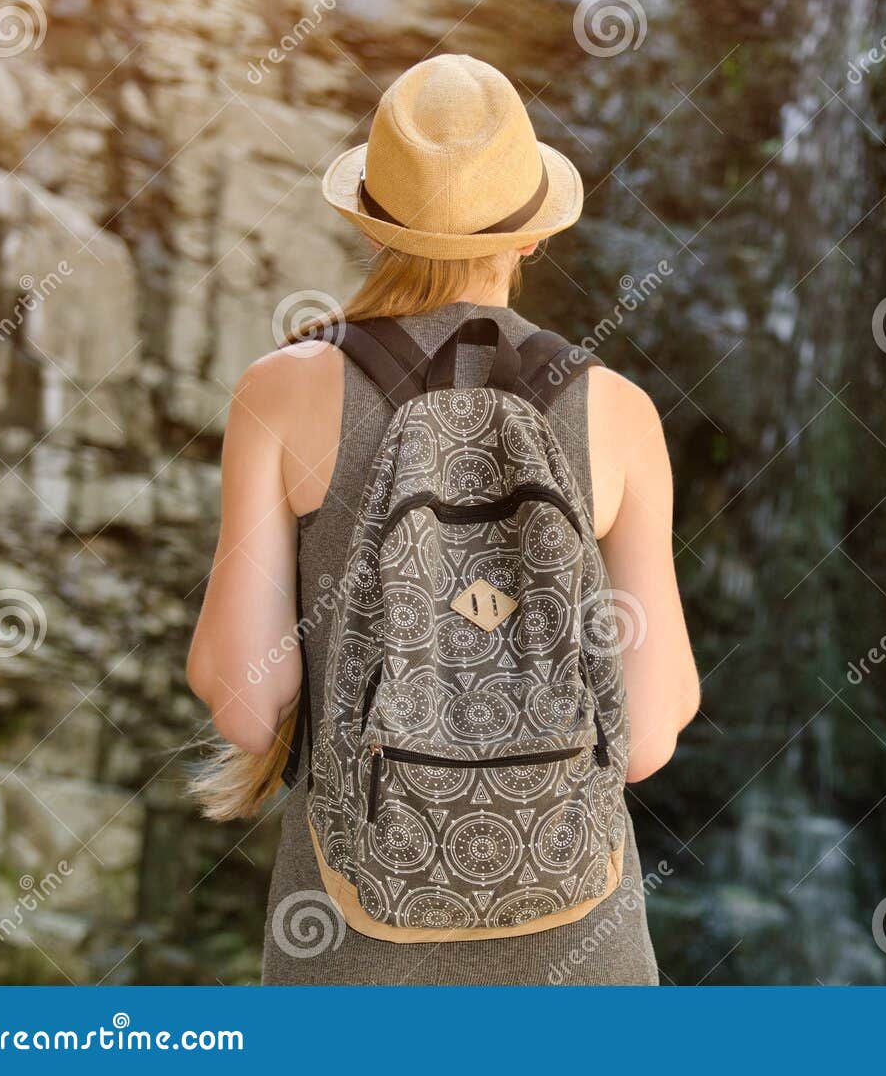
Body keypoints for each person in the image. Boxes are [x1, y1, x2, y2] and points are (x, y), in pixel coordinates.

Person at [185, 54, 700, 984]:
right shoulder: (618, 409)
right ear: (533, 237)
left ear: (373, 227)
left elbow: (247, 702)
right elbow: (650, 733)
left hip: (347, 954)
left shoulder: (282, 392)